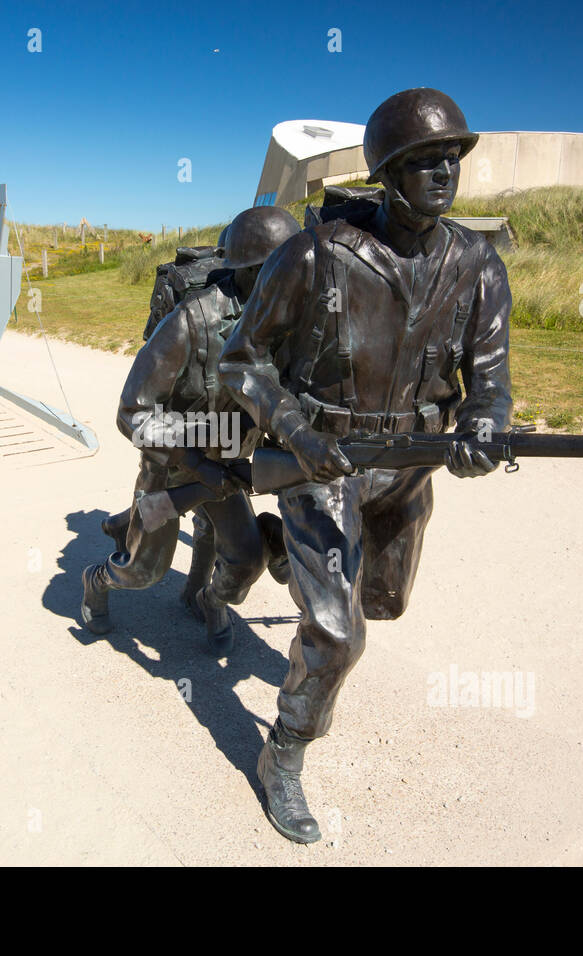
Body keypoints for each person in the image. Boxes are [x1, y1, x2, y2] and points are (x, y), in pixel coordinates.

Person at [219, 89, 513, 843]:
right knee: (340, 635)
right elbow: (241, 363)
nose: (444, 171)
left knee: (383, 603)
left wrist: (484, 424)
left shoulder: (478, 263)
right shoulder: (315, 254)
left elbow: (491, 379)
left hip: (409, 468)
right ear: (387, 172)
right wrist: (298, 434)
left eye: (452, 157)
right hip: (324, 463)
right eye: (423, 160)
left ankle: (285, 551)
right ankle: (282, 753)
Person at [81, 207, 301, 655]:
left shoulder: (285, 322)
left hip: (228, 465)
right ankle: (97, 582)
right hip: (174, 467)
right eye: (284, 269)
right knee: (144, 571)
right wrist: (195, 461)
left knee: (245, 559)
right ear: (254, 269)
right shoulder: (191, 320)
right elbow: (132, 412)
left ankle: (207, 599)